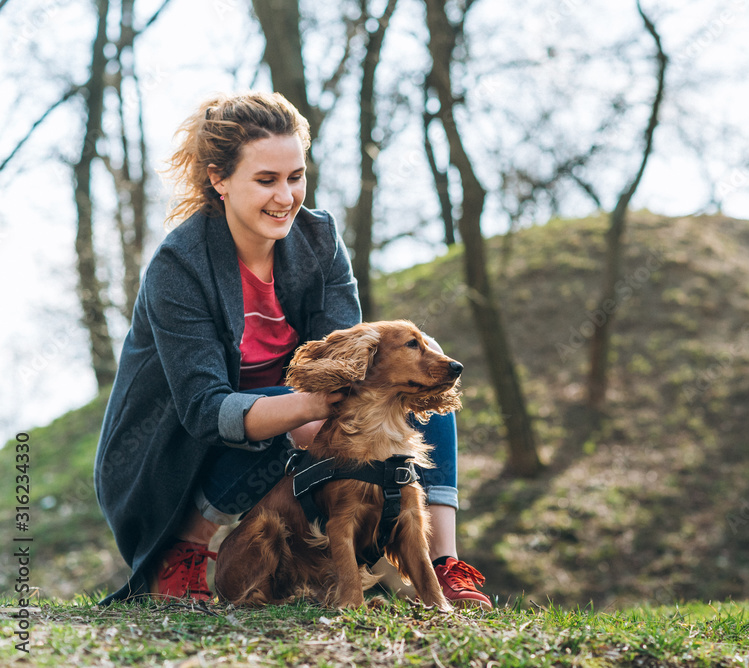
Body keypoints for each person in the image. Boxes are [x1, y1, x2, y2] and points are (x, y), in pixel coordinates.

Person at [94, 91, 491, 609]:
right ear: (219, 179)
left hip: (292, 421)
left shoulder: (319, 239)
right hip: (175, 448)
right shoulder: (180, 266)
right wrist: (307, 407)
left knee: (413, 387)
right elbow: (204, 409)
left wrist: (398, 366)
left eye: (296, 177)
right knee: (273, 407)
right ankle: (183, 549)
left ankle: (440, 563)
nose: (286, 197)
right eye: (266, 180)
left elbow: (346, 361)